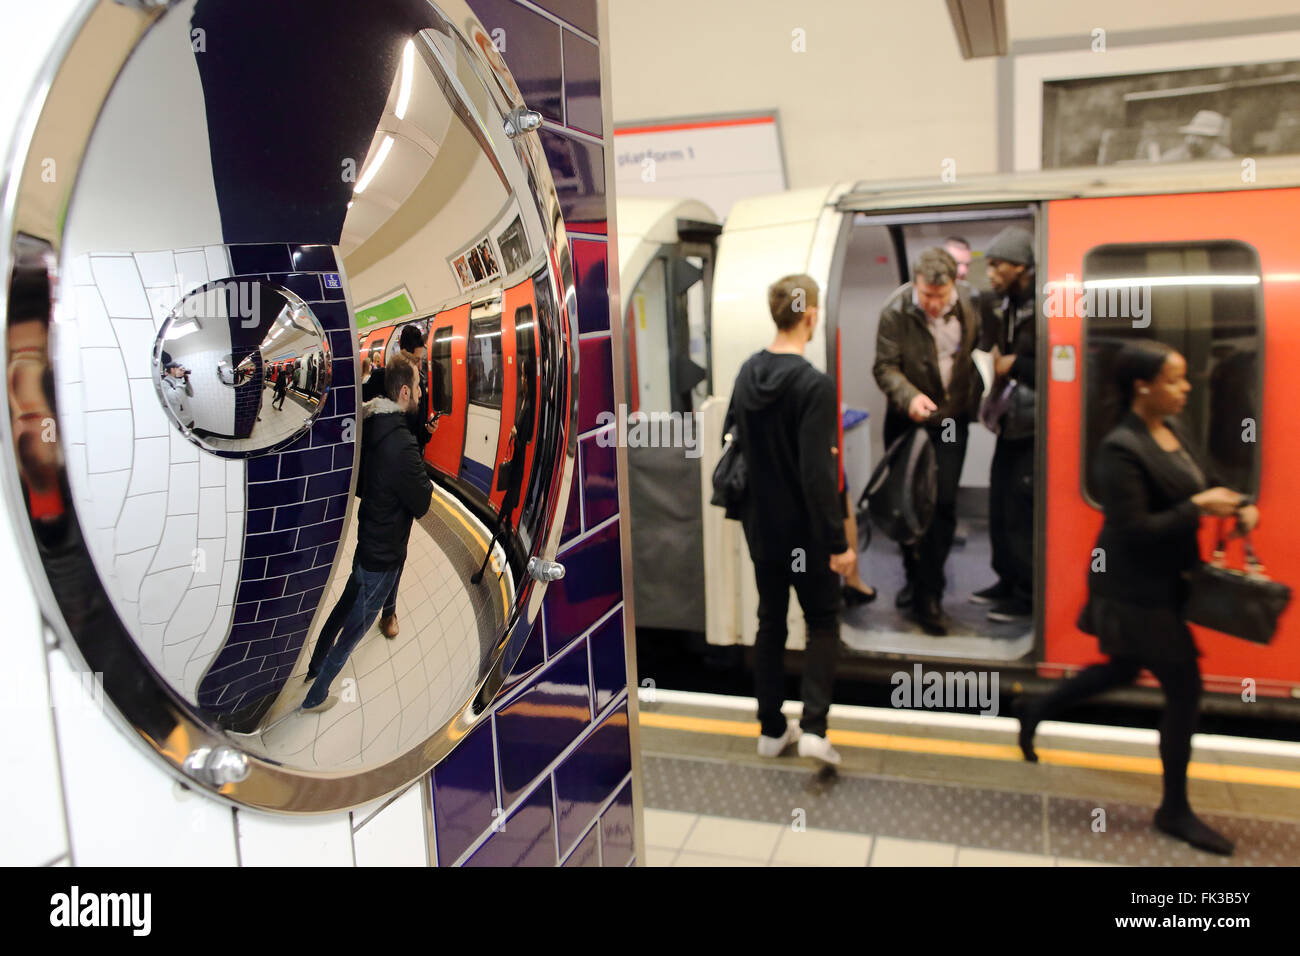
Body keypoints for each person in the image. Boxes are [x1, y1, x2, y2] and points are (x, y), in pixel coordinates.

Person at [1017, 341, 1257, 856]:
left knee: (1123, 669)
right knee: (1186, 689)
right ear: (1141, 386)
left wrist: (1236, 503)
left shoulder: (1173, 431)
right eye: (1175, 380)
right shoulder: (1118, 448)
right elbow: (1136, 529)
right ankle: (1174, 810)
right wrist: (1199, 507)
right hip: (1132, 589)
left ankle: (1035, 707)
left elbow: (1204, 482)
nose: (1186, 389)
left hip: (1167, 584)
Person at [728, 274, 856, 766]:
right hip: (806, 532)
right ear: (810, 316)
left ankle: (770, 729)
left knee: (770, 623)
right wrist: (838, 542)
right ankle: (815, 730)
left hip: (762, 528)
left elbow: (735, 441)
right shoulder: (815, 385)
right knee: (822, 622)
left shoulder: (746, 373)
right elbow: (817, 475)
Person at [301, 354, 434, 713]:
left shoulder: (375, 423)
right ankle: (316, 695)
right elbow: (422, 502)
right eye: (418, 386)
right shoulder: (402, 445)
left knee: (344, 606)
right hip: (384, 554)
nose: (421, 393)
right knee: (355, 630)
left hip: (368, 539)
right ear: (405, 391)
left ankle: (314, 666)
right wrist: (421, 455)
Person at [873, 247, 983, 635]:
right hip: (908, 419)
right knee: (907, 503)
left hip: (952, 421)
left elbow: (979, 350)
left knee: (943, 504)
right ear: (916, 286)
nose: (932, 304)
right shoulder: (895, 310)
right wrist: (909, 397)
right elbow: (884, 366)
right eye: (925, 296)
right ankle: (912, 577)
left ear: (954, 286)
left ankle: (928, 595)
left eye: (939, 296)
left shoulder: (972, 303)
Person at [973, 225, 1037, 622]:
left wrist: (1016, 364)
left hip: (1035, 427)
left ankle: (1027, 594)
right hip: (1012, 420)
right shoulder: (1007, 305)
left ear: (1020, 266)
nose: (991, 273)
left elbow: (1061, 361)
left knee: (1021, 511)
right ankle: (1006, 579)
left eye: (997, 266)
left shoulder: (1047, 305)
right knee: (999, 504)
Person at [1161, 110, 1234, 162]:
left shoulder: (1225, 159)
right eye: (1190, 135)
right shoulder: (1175, 156)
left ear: (1213, 139)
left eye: (1199, 136)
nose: (1191, 140)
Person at [161, 360, 195, 429]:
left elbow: (191, 394)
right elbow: (175, 400)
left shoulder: (179, 381)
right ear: (172, 369)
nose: (182, 371)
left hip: (189, 419)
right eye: (179, 369)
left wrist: (187, 381)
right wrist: (179, 380)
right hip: (179, 422)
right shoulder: (165, 383)